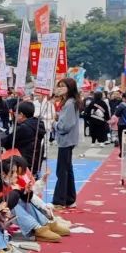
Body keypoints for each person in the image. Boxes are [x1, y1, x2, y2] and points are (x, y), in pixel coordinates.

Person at [52, 78, 80, 210]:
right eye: (59, 86)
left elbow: (66, 126)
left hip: (66, 140)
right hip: (68, 140)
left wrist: (54, 124)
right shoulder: (69, 102)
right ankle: (69, 199)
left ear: (70, 88)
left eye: (63, 87)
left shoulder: (69, 103)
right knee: (67, 169)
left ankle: (60, 200)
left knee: (62, 171)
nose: (60, 89)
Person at [12, 99, 47, 177]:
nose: (15, 116)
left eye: (16, 113)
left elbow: (9, 141)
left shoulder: (23, 128)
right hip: (36, 163)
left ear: (21, 114)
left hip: (24, 163)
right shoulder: (38, 124)